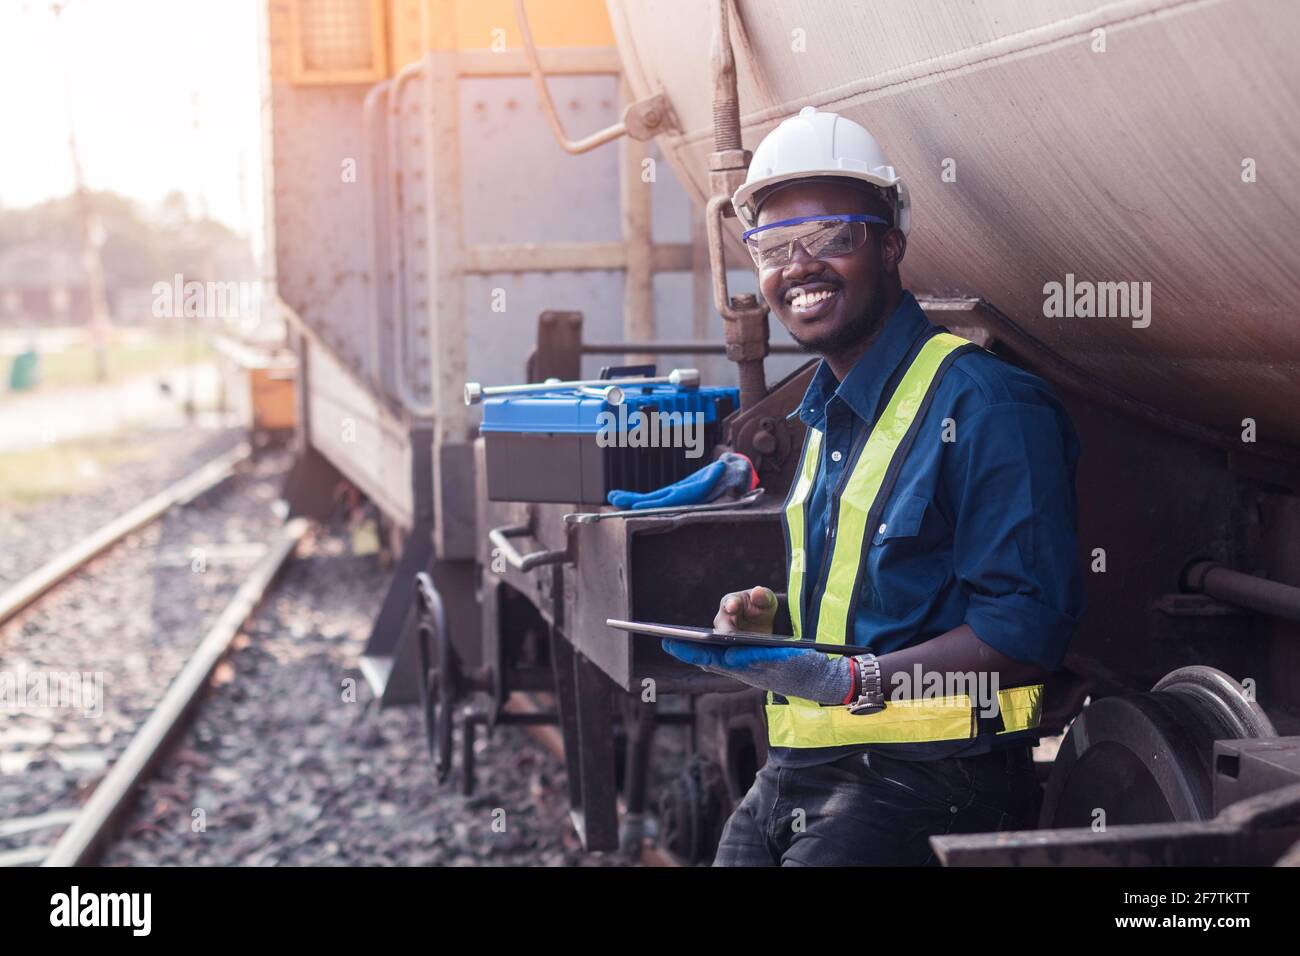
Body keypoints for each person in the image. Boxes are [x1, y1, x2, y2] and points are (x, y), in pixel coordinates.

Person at [664, 107, 1085, 866]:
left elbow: (1026, 631)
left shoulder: (987, 406)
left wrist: (852, 679)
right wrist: (767, 620)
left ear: (890, 245)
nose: (798, 266)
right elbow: (880, 598)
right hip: (799, 774)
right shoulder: (828, 410)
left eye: (831, 237)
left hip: (931, 785)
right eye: (773, 245)